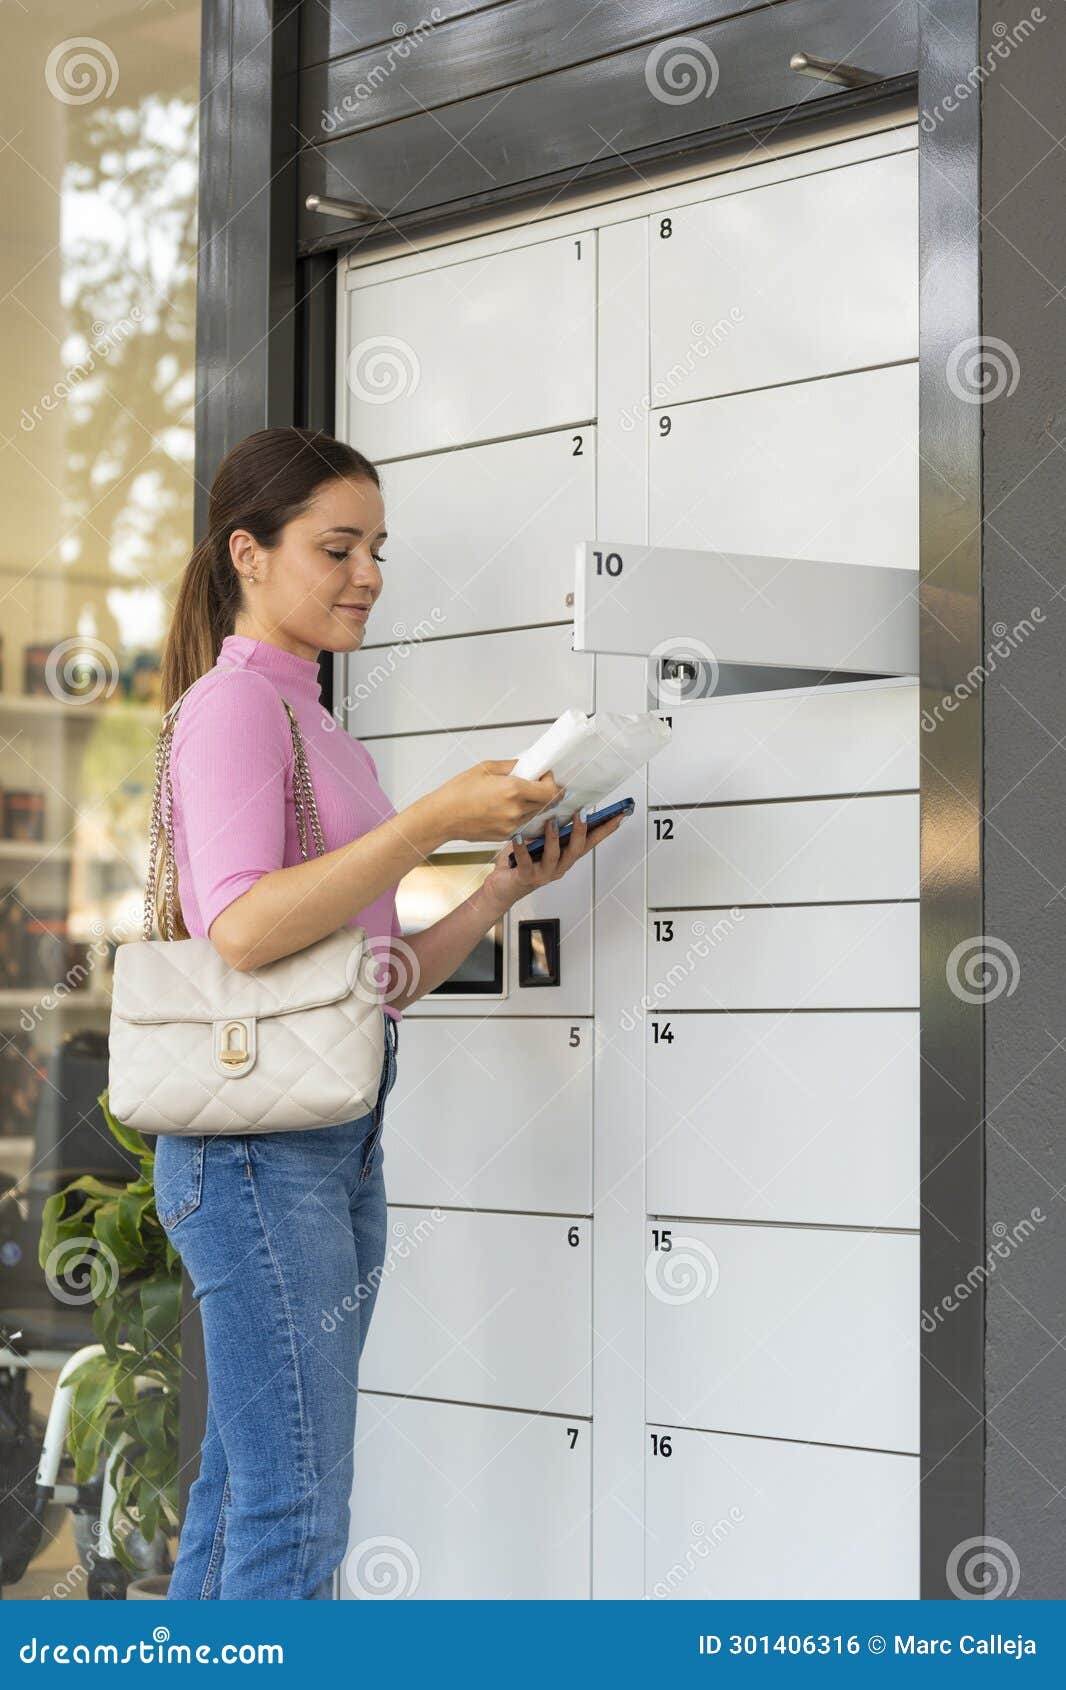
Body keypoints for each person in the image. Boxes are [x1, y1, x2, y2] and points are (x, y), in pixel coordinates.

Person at [150, 426, 625, 1599]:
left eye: (376, 549)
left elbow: (373, 980)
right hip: (260, 1157)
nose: (367, 573)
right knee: (293, 1507)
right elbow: (245, 930)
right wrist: (422, 825)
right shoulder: (230, 710)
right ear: (247, 553)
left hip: (330, 1135)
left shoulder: (317, 729)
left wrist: (499, 886)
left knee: (245, 1496)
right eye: (337, 546)